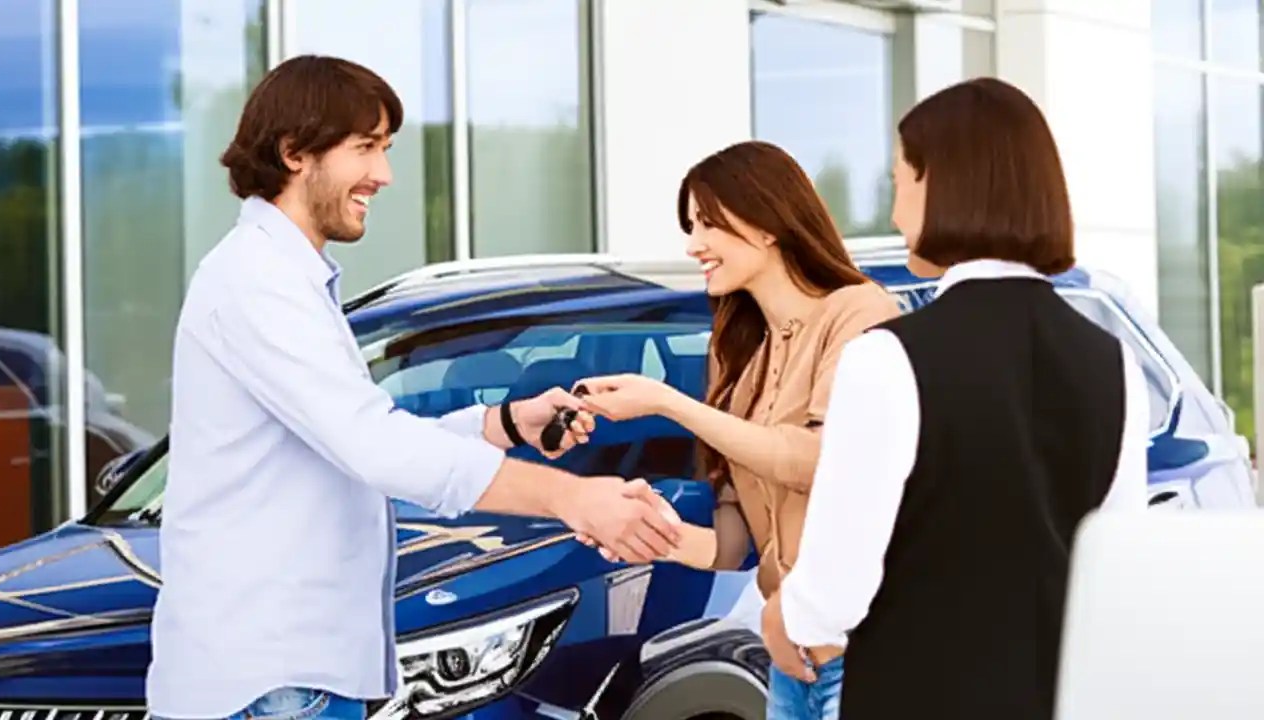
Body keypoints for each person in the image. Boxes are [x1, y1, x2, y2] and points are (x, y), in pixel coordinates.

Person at [146, 55, 679, 720]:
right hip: (271, 686)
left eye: (387, 149)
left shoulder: (285, 278)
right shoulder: (258, 283)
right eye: (365, 148)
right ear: (293, 152)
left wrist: (504, 423)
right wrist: (574, 498)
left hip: (291, 678)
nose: (385, 174)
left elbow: (355, 441)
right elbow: (376, 447)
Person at [761, 77, 1149, 720]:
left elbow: (836, 591)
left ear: (944, 183)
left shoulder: (887, 358)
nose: (893, 214)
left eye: (899, 182)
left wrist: (785, 616)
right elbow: (1115, 575)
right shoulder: (1115, 363)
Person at [572, 140, 902, 719]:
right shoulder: (738, 360)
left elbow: (816, 460)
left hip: (866, 653)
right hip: (791, 659)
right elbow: (732, 549)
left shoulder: (858, 311)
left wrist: (666, 403)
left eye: (707, 224)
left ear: (766, 224)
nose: (693, 244)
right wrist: (651, 531)